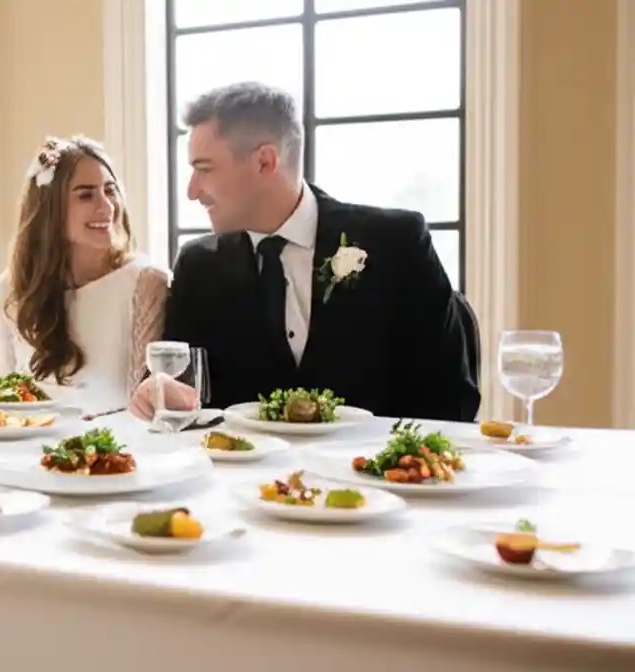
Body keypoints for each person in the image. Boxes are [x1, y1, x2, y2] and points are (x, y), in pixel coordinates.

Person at [130, 82, 480, 421]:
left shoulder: (397, 243)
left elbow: (451, 400)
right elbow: (180, 390)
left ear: (265, 161)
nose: (192, 191)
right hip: (242, 479)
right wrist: (158, 392)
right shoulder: (198, 265)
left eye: (204, 169)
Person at [0, 136, 168, 411]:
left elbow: (144, 407)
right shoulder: (12, 287)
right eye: (86, 195)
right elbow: (6, 401)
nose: (106, 206)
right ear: (51, 209)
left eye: (110, 191)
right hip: (27, 449)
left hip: (116, 450)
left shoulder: (145, 282)